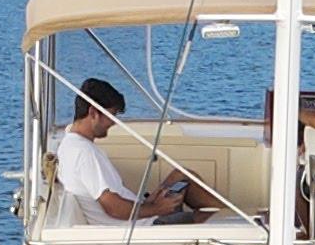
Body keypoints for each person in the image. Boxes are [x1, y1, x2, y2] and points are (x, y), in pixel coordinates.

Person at [55, 76, 219, 225]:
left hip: (142, 212)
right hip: (146, 226)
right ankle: (232, 219)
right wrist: (157, 209)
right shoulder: (85, 153)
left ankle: (231, 213)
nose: (113, 123)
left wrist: (148, 203)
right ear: (93, 112)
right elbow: (113, 208)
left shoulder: (70, 143)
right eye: (111, 116)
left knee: (182, 175)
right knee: (210, 219)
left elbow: (116, 197)